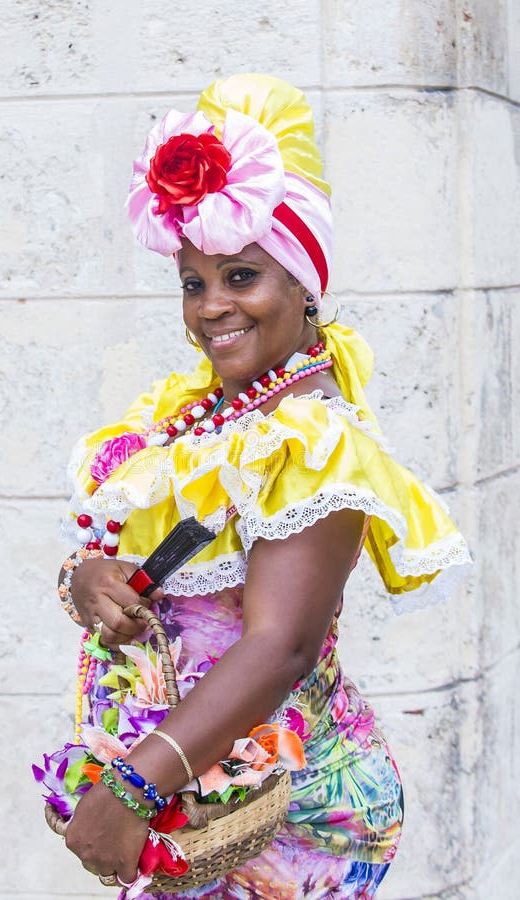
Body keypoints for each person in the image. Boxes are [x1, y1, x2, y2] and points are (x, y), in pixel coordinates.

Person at [37, 74, 471, 899]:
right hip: (192, 788)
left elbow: (281, 645)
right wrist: (89, 580)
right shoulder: (198, 417)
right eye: (194, 283)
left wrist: (134, 788)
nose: (211, 309)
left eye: (242, 277)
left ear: (306, 284)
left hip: (284, 812)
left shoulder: (313, 436)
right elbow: (143, 562)